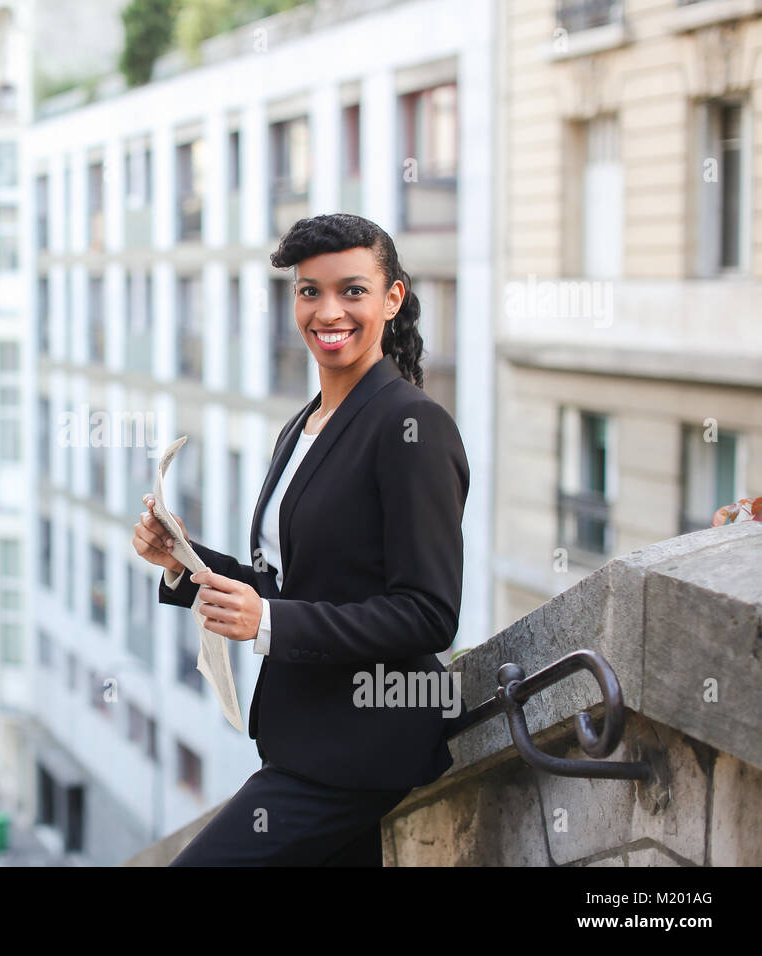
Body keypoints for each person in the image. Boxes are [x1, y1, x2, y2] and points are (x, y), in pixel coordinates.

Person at [133, 213, 470, 866]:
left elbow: (429, 613)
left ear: (392, 298)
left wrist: (272, 625)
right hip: (303, 735)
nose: (328, 311)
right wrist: (181, 561)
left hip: (359, 748)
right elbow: (296, 586)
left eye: (352, 290)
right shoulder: (305, 424)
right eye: (309, 291)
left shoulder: (412, 426)